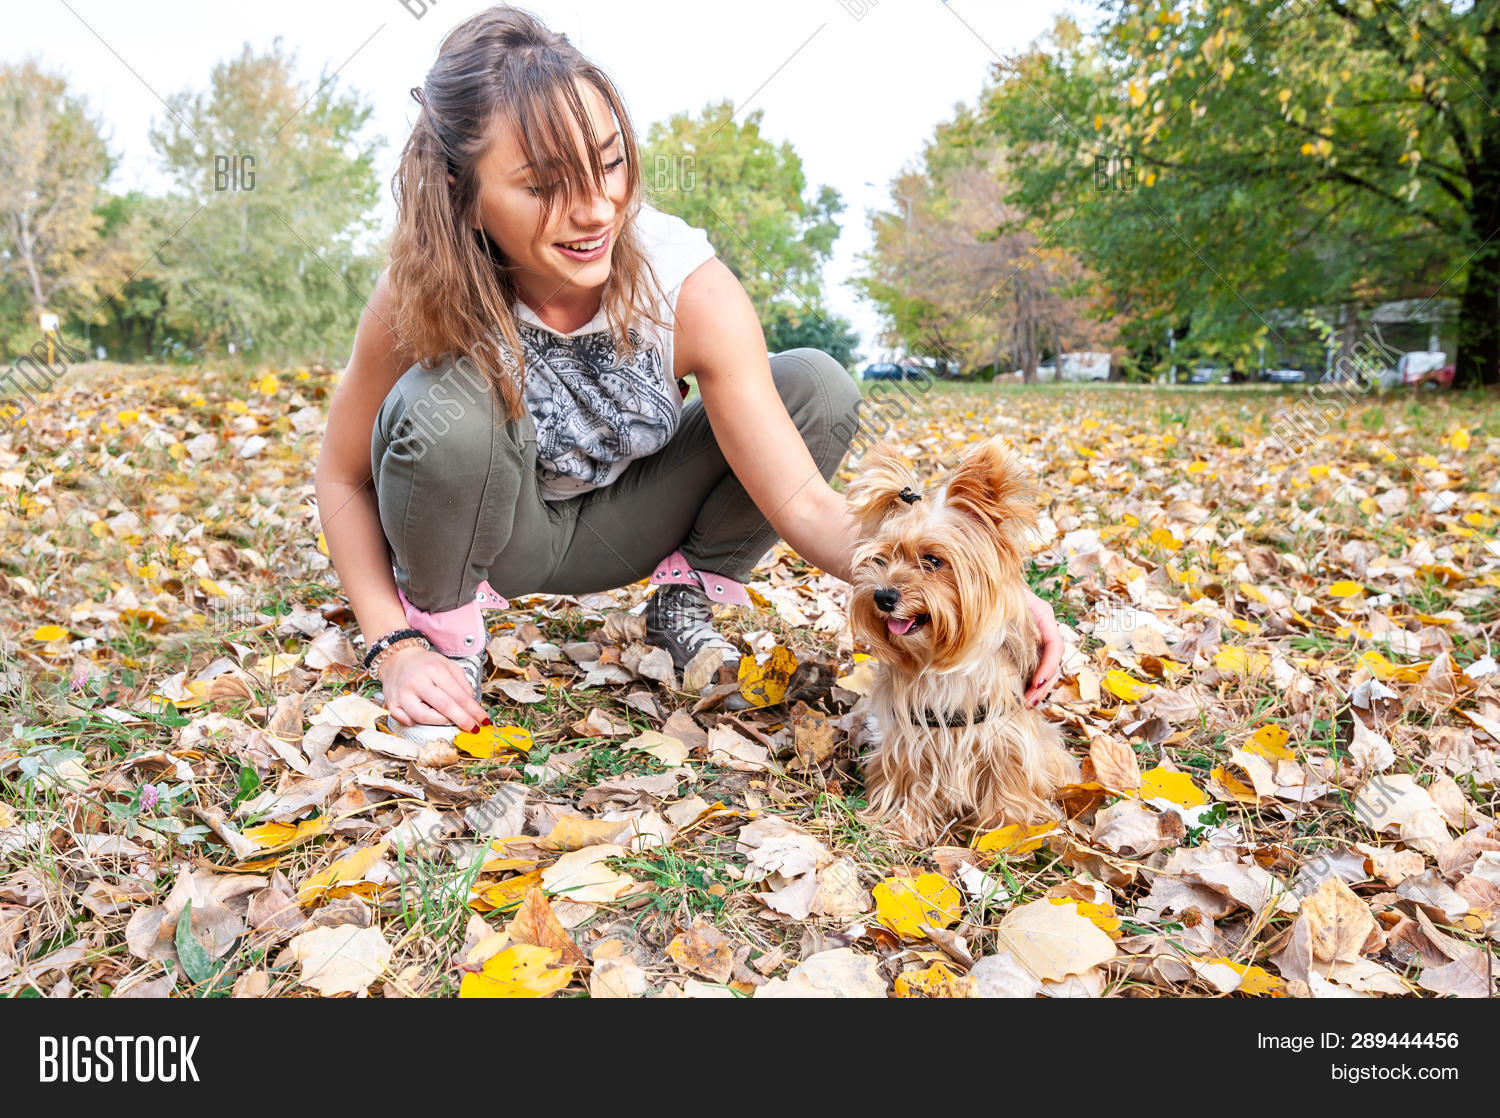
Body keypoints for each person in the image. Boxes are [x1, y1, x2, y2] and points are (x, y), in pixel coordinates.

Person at [313, 5, 1063, 742]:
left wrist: (988, 588)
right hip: (496, 533)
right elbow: (342, 475)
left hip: (624, 524)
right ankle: (441, 635)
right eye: (543, 186)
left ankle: (683, 601)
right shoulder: (422, 288)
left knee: (816, 384)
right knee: (448, 402)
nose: (595, 208)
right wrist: (391, 644)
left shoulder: (686, 285)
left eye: (609, 161)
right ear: (462, 194)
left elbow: (803, 501)